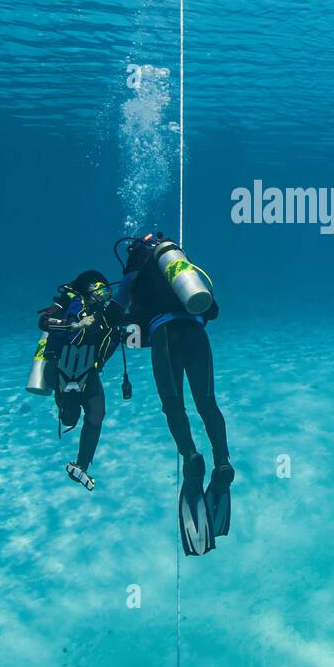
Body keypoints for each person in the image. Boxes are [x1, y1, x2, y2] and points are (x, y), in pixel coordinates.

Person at [116, 233, 233, 556]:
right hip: (195, 334)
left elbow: (121, 315)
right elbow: (213, 311)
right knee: (207, 403)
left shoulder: (134, 274)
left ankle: (191, 458)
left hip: (164, 336)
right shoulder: (183, 270)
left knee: (173, 404)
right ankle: (222, 462)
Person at [38, 270, 127, 491]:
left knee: (97, 414)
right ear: (88, 288)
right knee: (70, 419)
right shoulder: (68, 304)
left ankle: (82, 465)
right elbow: (44, 322)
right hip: (63, 367)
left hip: (89, 370)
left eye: (107, 290)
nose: (105, 294)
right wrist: (74, 325)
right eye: (100, 288)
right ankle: (64, 407)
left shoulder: (103, 314)